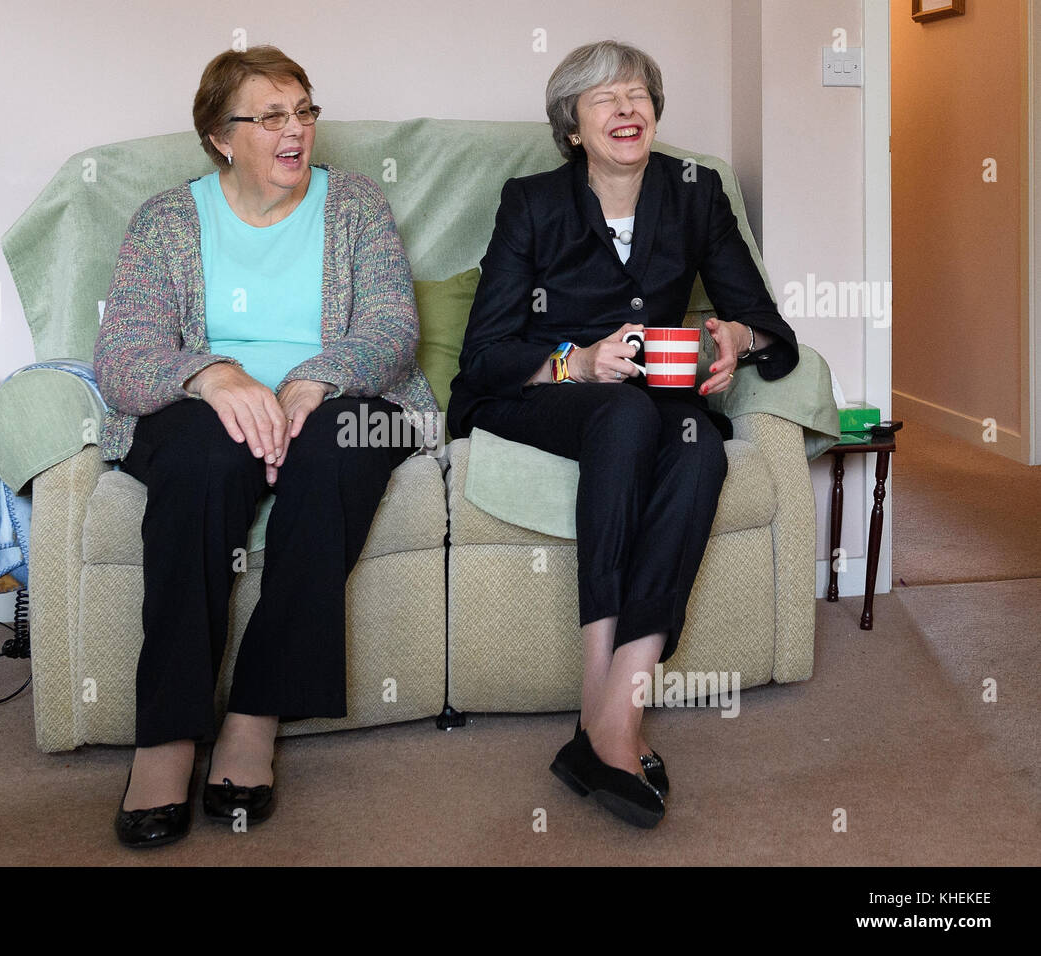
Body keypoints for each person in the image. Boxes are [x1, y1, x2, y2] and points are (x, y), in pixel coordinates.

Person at [447, 40, 799, 828]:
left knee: (697, 443)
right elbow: (486, 353)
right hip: (542, 391)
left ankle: (618, 702)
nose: (627, 108)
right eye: (605, 98)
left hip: (648, 397)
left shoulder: (695, 192)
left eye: (638, 93)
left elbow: (765, 319)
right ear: (572, 126)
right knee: (624, 410)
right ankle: (596, 693)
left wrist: (736, 342)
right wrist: (576, 362)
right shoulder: (532, 201)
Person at [95, 45, 436, 848]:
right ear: (221, 135)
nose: (297, 131)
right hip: (209, 406)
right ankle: (168, 736)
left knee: (337, 451)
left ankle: (254, 717)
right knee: (199, 461)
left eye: (305, 111)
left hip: (339, 399)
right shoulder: (165, 219)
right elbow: (122, 357)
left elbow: (392, 326)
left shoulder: (353, 203)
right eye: (271, 116)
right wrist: (214, 376)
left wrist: (313, 381)